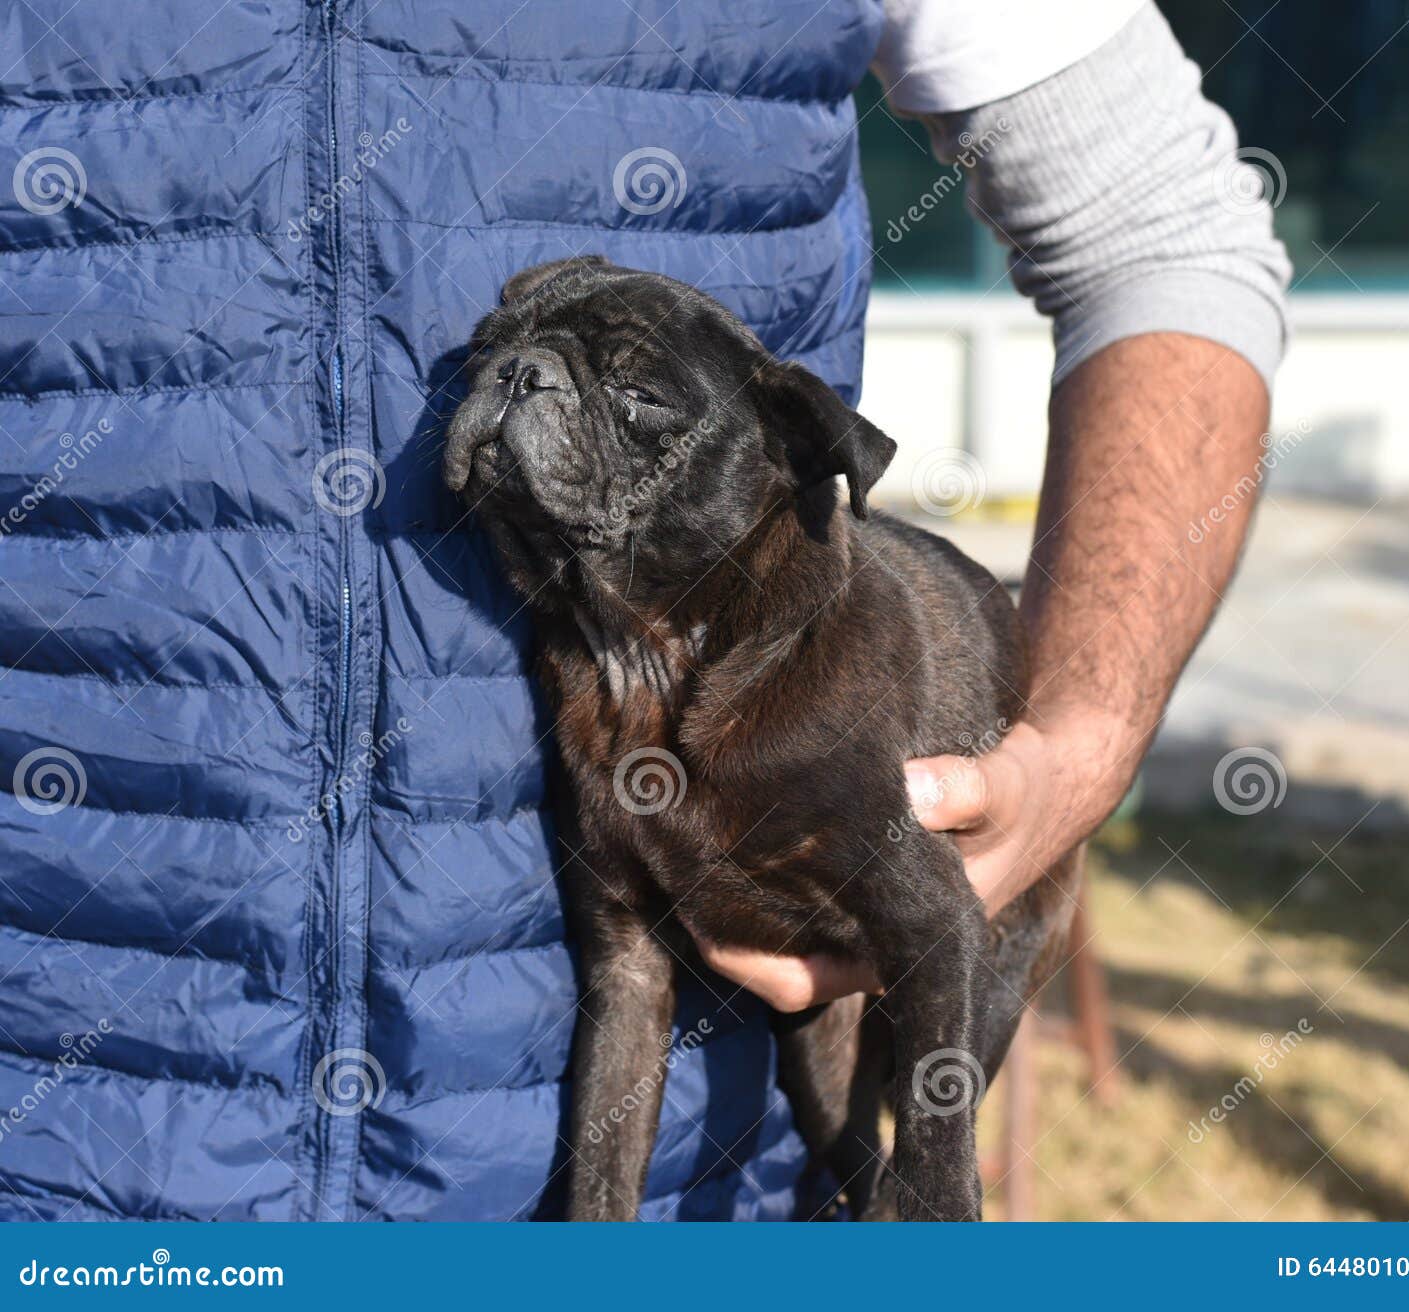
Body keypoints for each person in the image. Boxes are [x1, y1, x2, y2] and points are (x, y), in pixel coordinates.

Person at [0, 0, 1285, 1221]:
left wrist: (1085, 728)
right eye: (510, 355)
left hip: (700, 1169)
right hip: (67, 1112)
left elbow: (1160, 230)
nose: (518, 388)